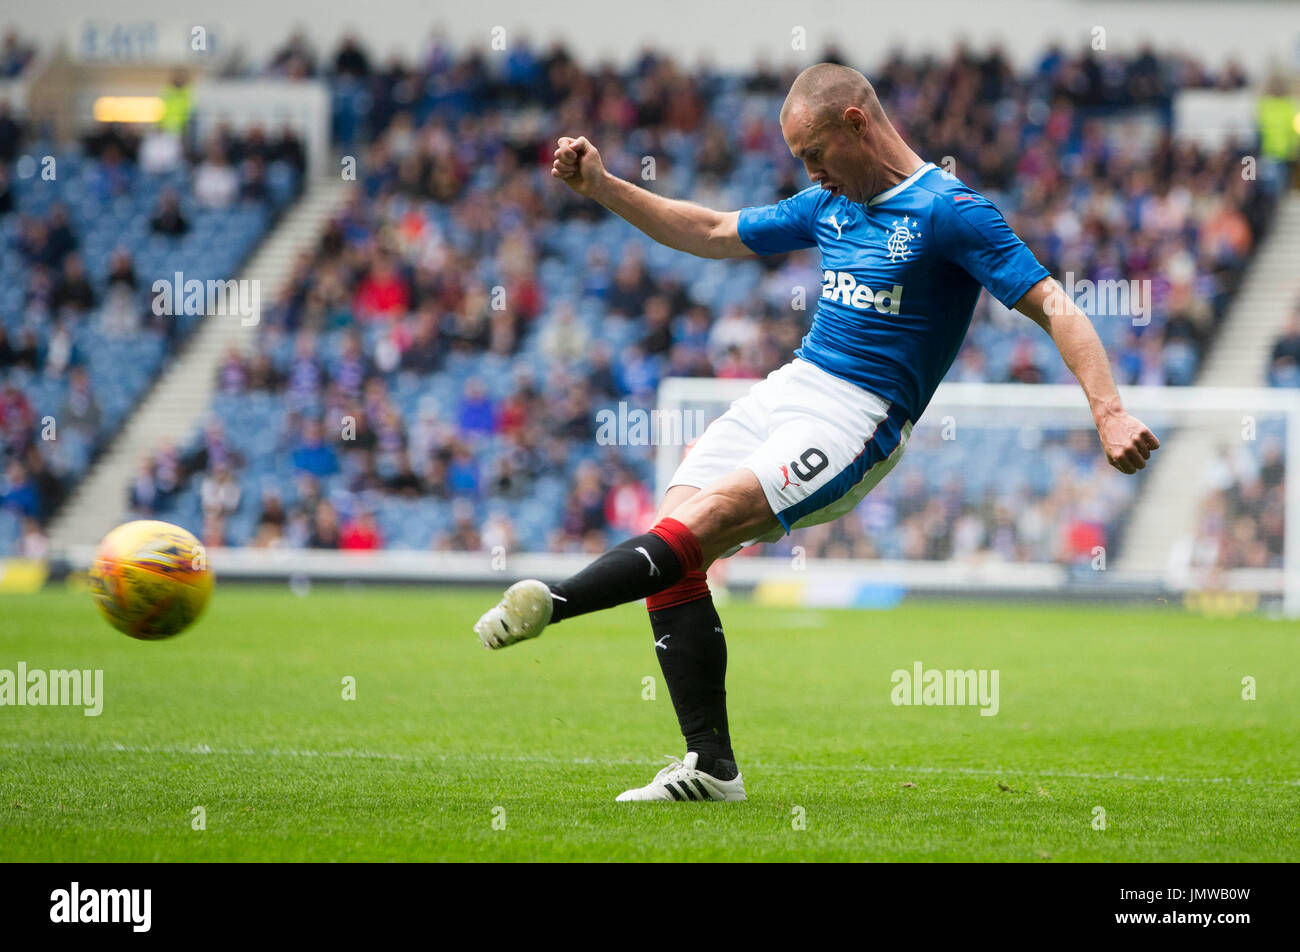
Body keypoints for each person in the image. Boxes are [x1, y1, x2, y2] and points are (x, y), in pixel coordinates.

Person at [474, 63, 1159, 803]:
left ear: (856, 124)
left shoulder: (951, 212)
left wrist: (1109, 410)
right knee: (676, 540)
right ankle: (711, 768)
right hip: (790, 389)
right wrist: (603, 187)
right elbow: (709, 230)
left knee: (693, 529)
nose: (811, 173)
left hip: (857, 419)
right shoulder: (827, 204)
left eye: (814, 154)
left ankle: (556, 601)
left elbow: (1055, 304)